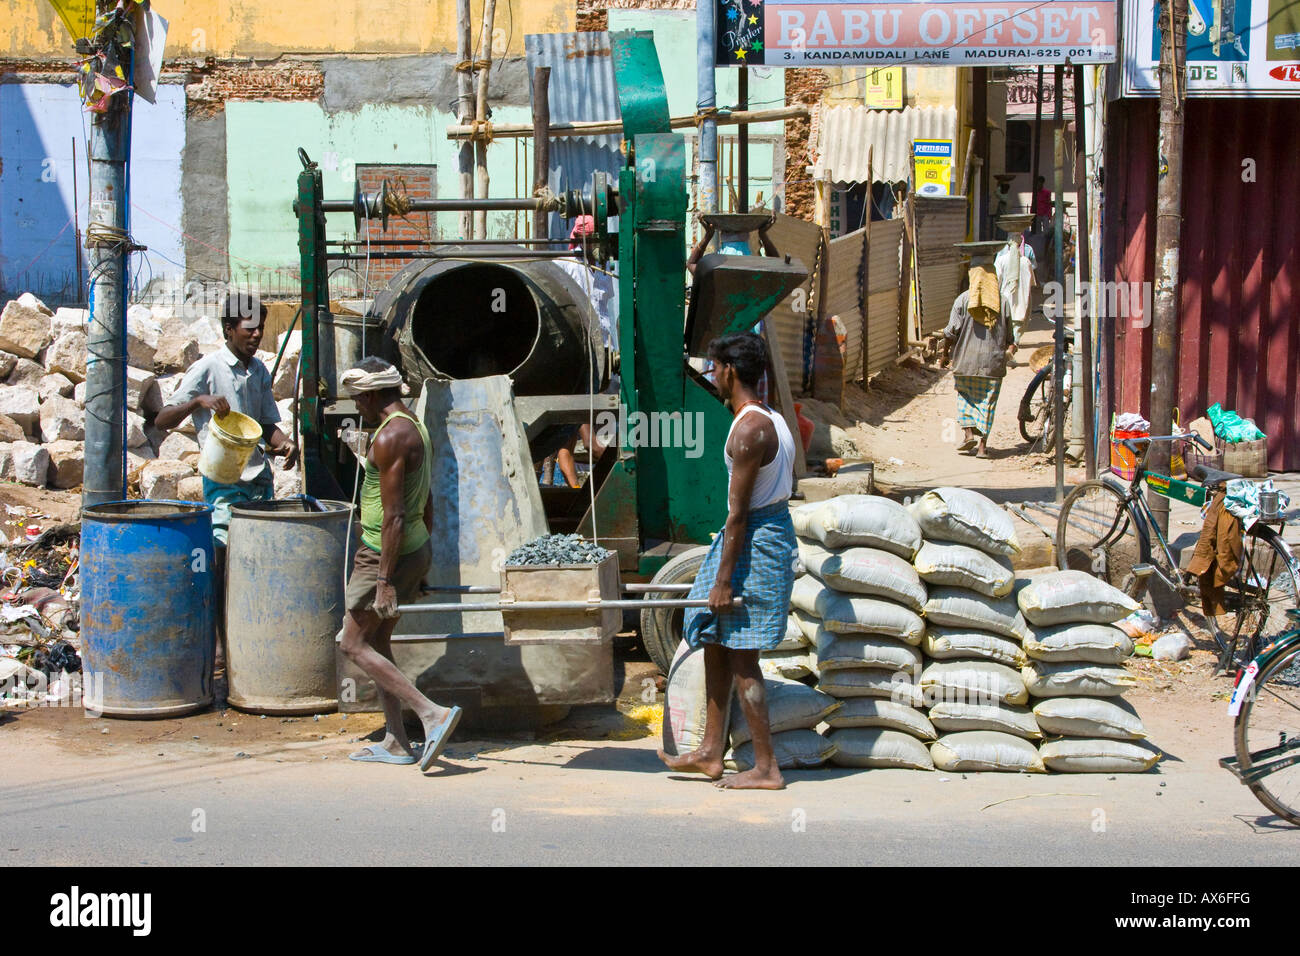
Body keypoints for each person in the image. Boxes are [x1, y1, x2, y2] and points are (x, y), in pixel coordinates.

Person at [658, 332, 797, 790]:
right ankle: (710, 752)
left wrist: (721, 582)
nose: (712, 377)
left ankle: (766, 767)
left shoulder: (751, 429)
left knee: (741, 654)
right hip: (752, 536)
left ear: (731, 371)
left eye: (715, 369)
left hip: (756, 542)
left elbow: (738, 515)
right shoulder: (768, 416)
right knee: (714, 637)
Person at [336, 357, 462, 770]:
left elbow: (394, 516)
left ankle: (431, 714)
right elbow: (425, 500)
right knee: (379, 643)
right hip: (411, 550)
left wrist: (386, 580)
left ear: (372, 395)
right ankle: (395, 741)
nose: (358, 408)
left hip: (382, 555)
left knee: (352, 643)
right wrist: (419, 563)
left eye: (359, 400)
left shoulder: (390, 438)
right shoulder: (416, 425)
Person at [154, 292, 297, 642]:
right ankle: (220, 643)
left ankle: (252, 638)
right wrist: (198, 401)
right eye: (249, 329)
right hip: (223, 480)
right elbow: (162, 419)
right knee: (222, 561)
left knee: (258, 562)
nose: (256, 335)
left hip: (258, 480)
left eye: (260, 329)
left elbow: (265, 424)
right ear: (229, 330)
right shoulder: (208, 368)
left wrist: (285, 444)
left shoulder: (259, 370)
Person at [553, 215, 618, 488]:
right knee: (589, 439)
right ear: (583, 240)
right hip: (580, 361)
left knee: (571, 437)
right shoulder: (566, 267)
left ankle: (576, 491)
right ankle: (587, 490)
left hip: (602, 360)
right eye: (594, 239)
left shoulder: (602, 271)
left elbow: (606, 315)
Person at [944, 270, 1017, 459]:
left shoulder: (962, 299)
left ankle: (968, 434)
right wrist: (1009, 350)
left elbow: (950, 333)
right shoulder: (1002, 302)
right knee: (987, 405)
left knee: (965, 398)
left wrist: (945, 355)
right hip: (992, 364)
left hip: (965, 362)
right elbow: (1011, 338)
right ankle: (982, 447)